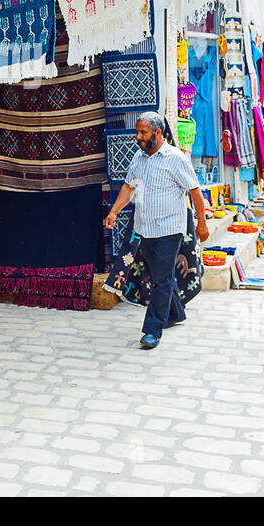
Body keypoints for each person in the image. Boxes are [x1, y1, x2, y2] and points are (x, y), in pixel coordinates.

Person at [104, 111, 209, 349]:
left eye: (143, 132)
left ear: (158, 133)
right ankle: (175, 313)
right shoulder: (139, 159)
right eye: (138, 132)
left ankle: (152, 330)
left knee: (161, 278)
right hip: (145, 228)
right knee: (161, 275)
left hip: (170, 228)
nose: (138, 137)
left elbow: (194, 191)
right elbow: (128, 187)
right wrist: (114, 212)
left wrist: (202, 223)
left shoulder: (176, 158)